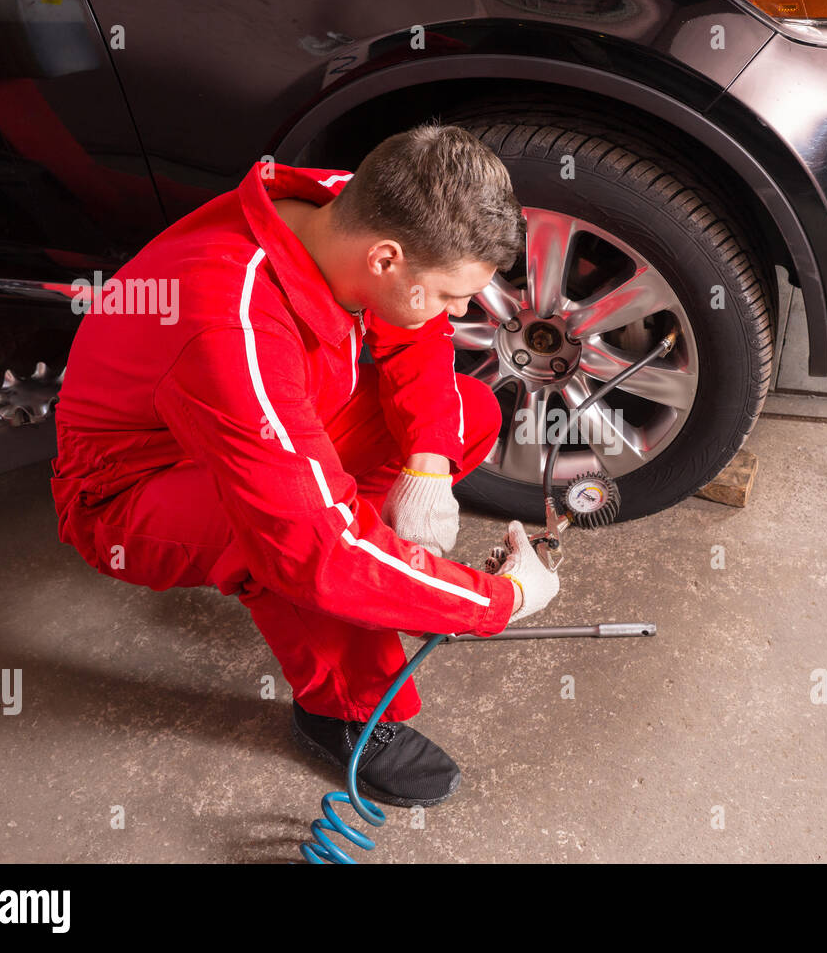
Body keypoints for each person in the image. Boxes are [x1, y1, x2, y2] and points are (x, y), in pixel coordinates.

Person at [49, 122, 560, 808]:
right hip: (129, 491)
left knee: (465, 413)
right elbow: (313, 549)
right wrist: (500, 601)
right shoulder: (232, 323)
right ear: (384, 261)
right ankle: (343, 710)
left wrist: (429, 466)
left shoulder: (347, 206)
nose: (462, 311)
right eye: (448, 293)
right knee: (290, 544)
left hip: (275, 413)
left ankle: (363, 555)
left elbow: (416, 334)